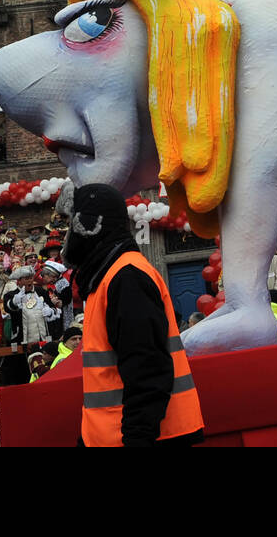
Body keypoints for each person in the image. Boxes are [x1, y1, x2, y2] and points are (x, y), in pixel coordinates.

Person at [60, 183, 204, 446]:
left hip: (143, 437)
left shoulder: (126, 278)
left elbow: (147, 370)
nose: (67, 235)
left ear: (90, 225)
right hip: (110, 435)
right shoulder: (106, 276)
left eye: (71, 223)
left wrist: (137, 439)